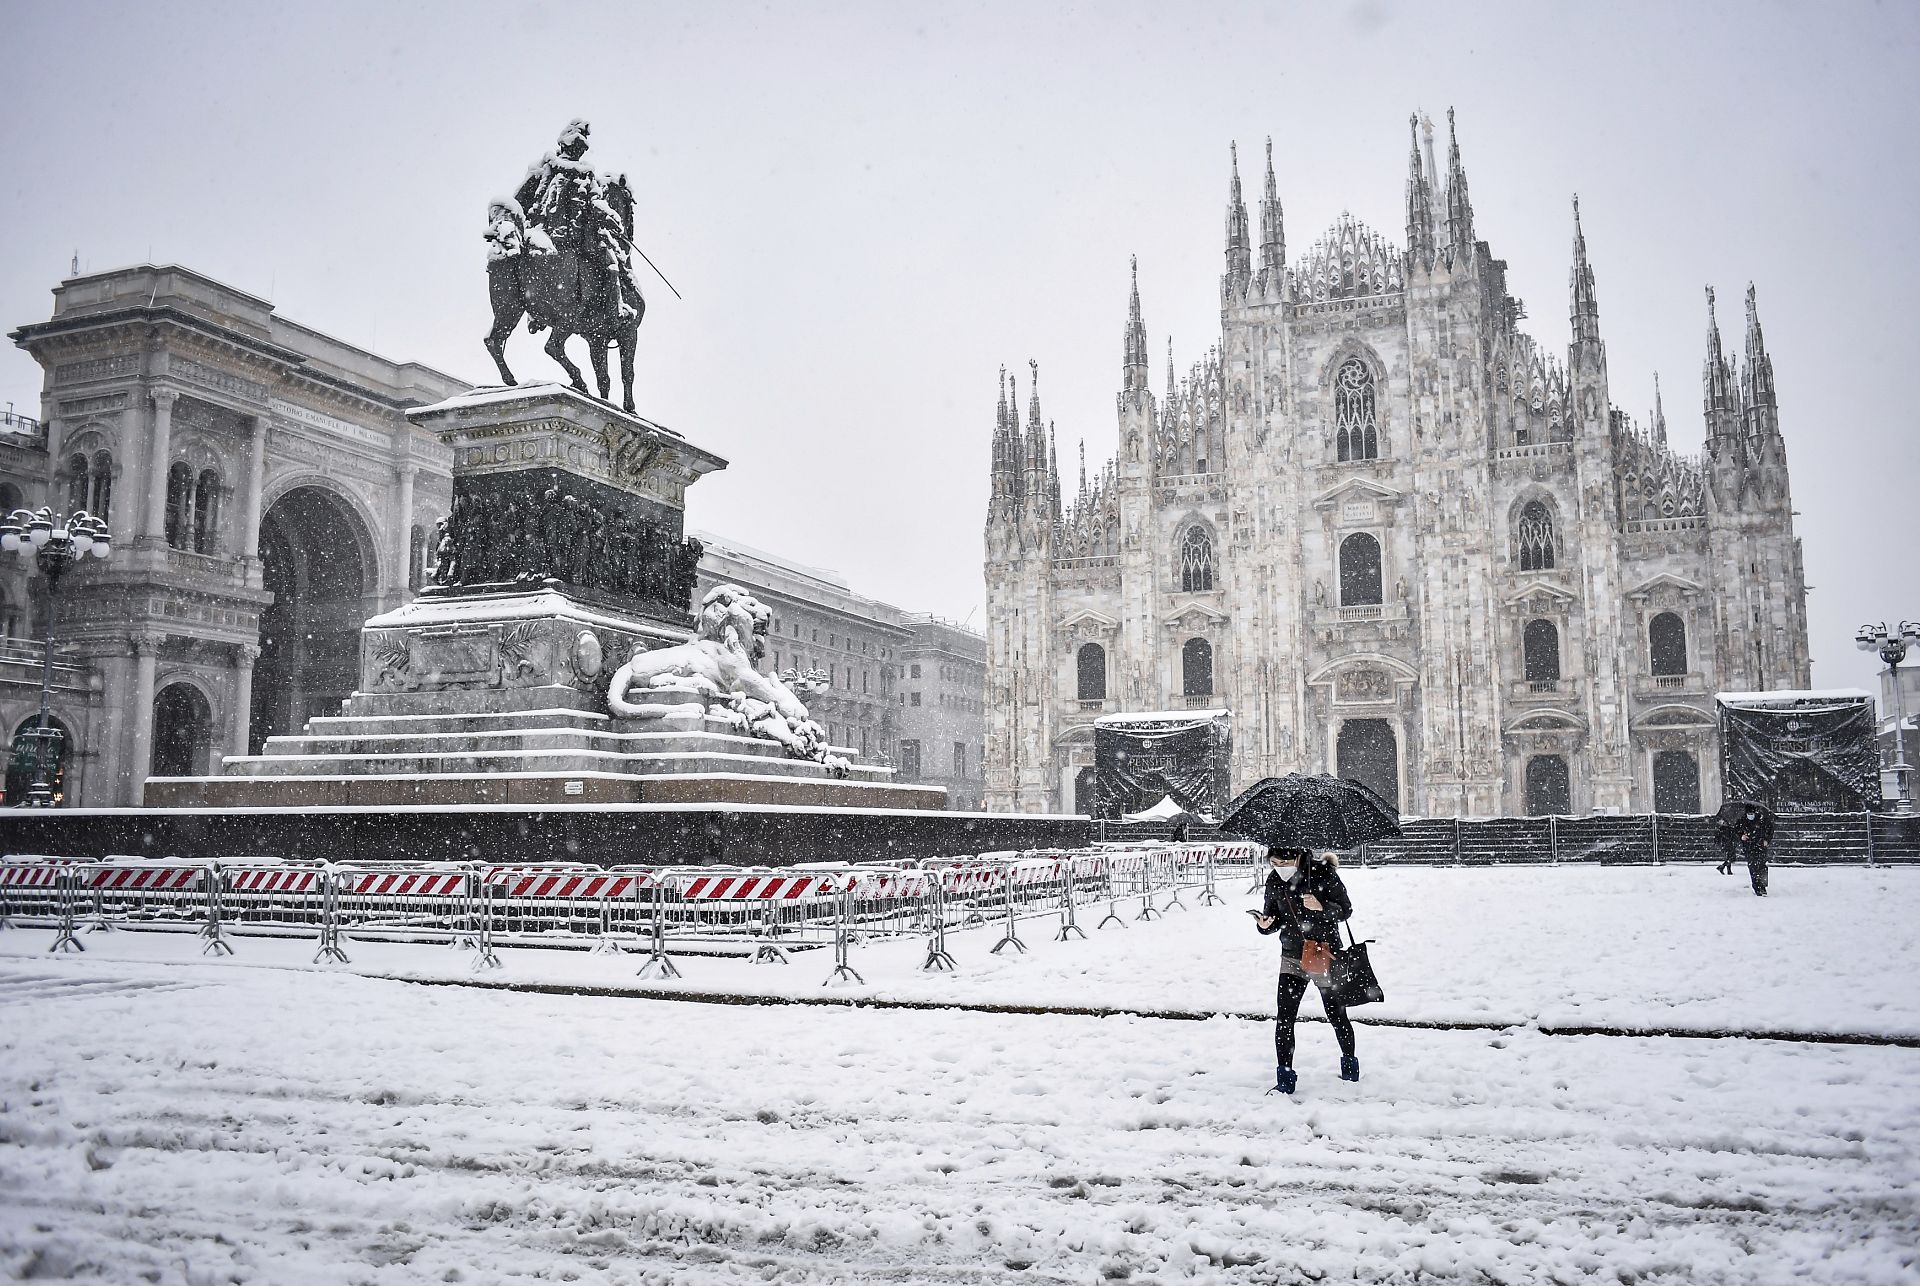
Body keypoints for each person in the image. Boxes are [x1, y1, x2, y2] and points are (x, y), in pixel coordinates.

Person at [1253, 846, 1358, 1093]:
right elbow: (1273, 918)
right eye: (1274, 862)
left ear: (1298, 856)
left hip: (1323, 952)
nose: (1279, 867)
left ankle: (1349, 1066)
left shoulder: (1323, 873)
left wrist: (1322, 907)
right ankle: (1285, 1078)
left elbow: (1346, 909)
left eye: (1284, 861)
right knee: (1285, 1017)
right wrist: (1265, 925)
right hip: (1292, 955)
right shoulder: (1275, 880)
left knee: (1336, 1013)